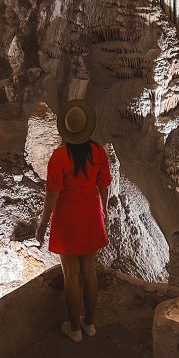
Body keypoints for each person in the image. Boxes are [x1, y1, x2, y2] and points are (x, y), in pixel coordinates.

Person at [35, 100, 111, 343]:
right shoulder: (98, 152)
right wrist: (104, 210)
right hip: (90, 215)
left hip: (68, 219)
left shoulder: (59, 157)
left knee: (71, 275)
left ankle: (74, 328)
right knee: (89, 271)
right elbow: (104, 186)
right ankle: (90, 324)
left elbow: (53, 195)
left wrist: (43, 223)